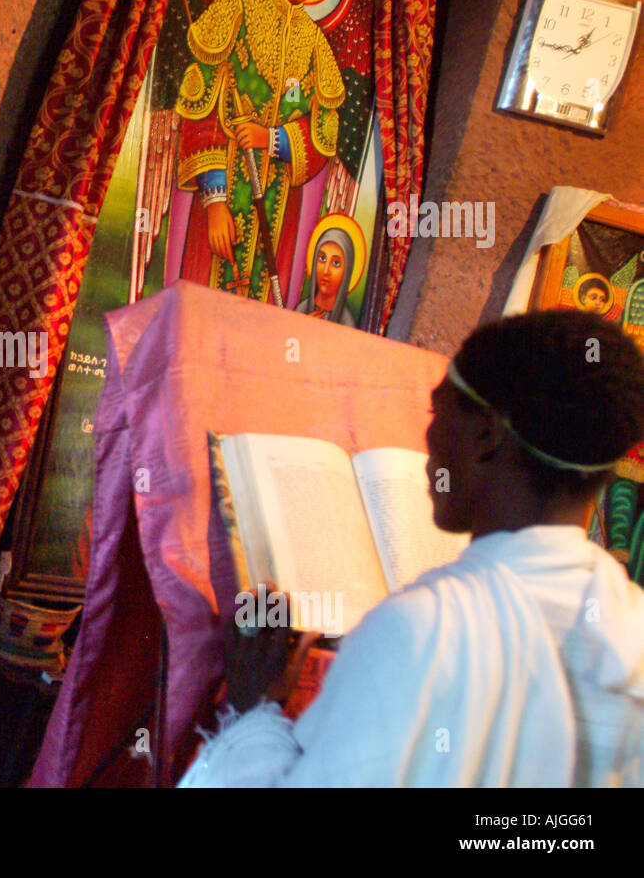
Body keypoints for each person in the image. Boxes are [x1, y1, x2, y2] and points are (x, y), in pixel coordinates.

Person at [179, 309, 644, 786]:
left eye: (435, 409)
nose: (428, 437)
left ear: (485, 433)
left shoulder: (422, 630)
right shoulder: (633, 628)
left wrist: (252, 710)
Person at [174, 0, 345, 299]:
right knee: (200, 306)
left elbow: (322, 137)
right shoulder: (237, 7)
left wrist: (274, 139)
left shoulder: (317, 47)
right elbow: (198, 106)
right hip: (220, 193)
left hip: (277, 208)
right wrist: (216, 198)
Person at [296, 227, 356, 325]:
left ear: (346, 271)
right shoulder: (302, 309)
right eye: (322, 258)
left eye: (336, 263)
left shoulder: (346, 321)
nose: (326, 270)